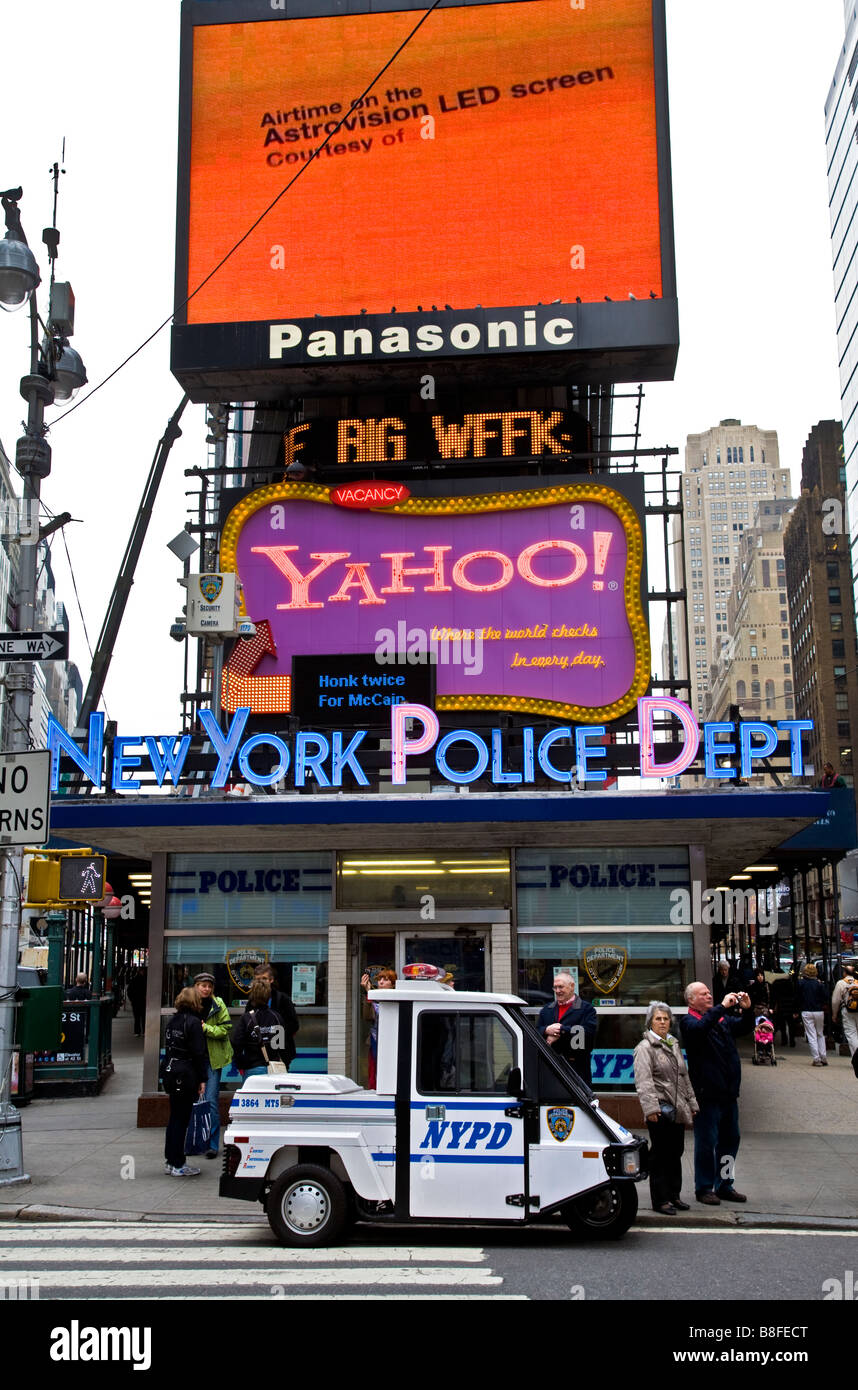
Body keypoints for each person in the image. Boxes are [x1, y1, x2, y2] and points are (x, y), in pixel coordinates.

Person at [680, 980, 753, 1206]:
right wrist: (721, 1006)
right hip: (707, 1094)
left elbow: (742, 1028)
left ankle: (725, 1183)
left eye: (709, 993)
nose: (709, 996)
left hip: (728, 1093)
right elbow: (700, 1031)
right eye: (703, 994)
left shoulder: (719, 1018)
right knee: (707, 1142)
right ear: (691, 1000)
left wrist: (748, 1010)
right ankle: (704, 1187)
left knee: (731, 1140)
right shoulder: (689, 1021)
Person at [633, 1001, 698, 1216]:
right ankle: (660, 1200)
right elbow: (644, 1082)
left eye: (666, 1019)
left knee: (675, 1152)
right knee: (660, 1155)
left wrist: (692, 1103)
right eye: (658, 1019)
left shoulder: (673, 1043)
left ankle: (674, 1195)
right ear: (650, 1022)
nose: (662, 1022)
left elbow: (684, 1076)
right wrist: (651, 1109)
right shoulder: (645, 1048)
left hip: (678, 1108)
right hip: (660, 1109)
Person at [161, 986, 207, 1177]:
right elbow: (198, 1053)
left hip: (171, 1072)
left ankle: (171, 1160)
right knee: (182, 1119)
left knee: (174, 1118)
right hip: (186, 1075)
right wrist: (202, 1079)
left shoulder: (173, 1021)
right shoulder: (194, 1023)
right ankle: (178, 1163)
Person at [194, 971, 233, 1159]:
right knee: (191, 1103)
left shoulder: (218, 1004)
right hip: (192, 1060)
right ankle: (194, 1141)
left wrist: (205, 1028)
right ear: (196, 986)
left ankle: (211, 1144)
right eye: (203, 985)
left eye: (209, 986)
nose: (206, 988)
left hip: (212, 1059)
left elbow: (225, 1029)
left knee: (210, 1102)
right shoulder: (190, 1004)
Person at [536, 972, 597, 1086]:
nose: (557, 991)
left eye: (561, 987)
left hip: (577, 1070)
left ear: (572, 986)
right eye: (555, 987)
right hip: (551, 1068)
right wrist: (546, 1030)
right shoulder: (547, 1010)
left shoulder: (586, 1009)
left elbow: (587, 1034)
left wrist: (560, 1030)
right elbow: (535, 1032)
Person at [232, 977, 288, 1077]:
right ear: (268, 996)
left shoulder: (246, 1018)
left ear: (252, 996)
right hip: (274, 1068)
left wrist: (240, 1064)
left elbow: (236, 1045)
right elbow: (283, 1046)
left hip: (252, 1067)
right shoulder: (277, 1017)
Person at [246, 964, 299, 1068]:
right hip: (257, 1055)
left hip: (280, 1053)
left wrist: (274, 1033)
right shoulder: (251, 1002)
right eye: (258, 979)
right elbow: (247, 1026)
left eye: (264, 979)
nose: (261, 982)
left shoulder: (283, 999)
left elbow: (294, 1025)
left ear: (271, 980)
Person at [360, 967, 396, 1088]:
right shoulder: (375, 1000)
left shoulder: (397, 1000)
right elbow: (368, 1016)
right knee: (375, 1070)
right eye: (379, 979)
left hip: (392, 1042)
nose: (381, 982)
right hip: (376, 1040)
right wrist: (368, 992)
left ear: (393, 984)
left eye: (385, 980)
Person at [797, 963, 828, 1066]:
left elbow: (798, 998)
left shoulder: (801, 983)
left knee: (811, 1035)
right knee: (820, 1034)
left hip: (806, 1010)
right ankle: (823, 1057)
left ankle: (816, 1058)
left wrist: (796, 1010)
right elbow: (825, 997)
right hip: (819, 1011)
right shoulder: (819, 984)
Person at [832, 965, 858, 1058]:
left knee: (851, 1034)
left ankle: (856, 1058)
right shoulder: (857, 982)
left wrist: (834, 1014)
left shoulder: (841, 983)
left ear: (844, 973)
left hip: (847, 1011)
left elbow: (835, 1001)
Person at [127, 968, 147, 1036]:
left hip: (135, 1002)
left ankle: (137, 1032)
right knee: (143, 1017)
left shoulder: (133, 980)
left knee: (137, 1017)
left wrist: (132, 999)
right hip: (143, 1001)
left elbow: (129, 991)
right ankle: (144, 1031)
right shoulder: (145, 980)